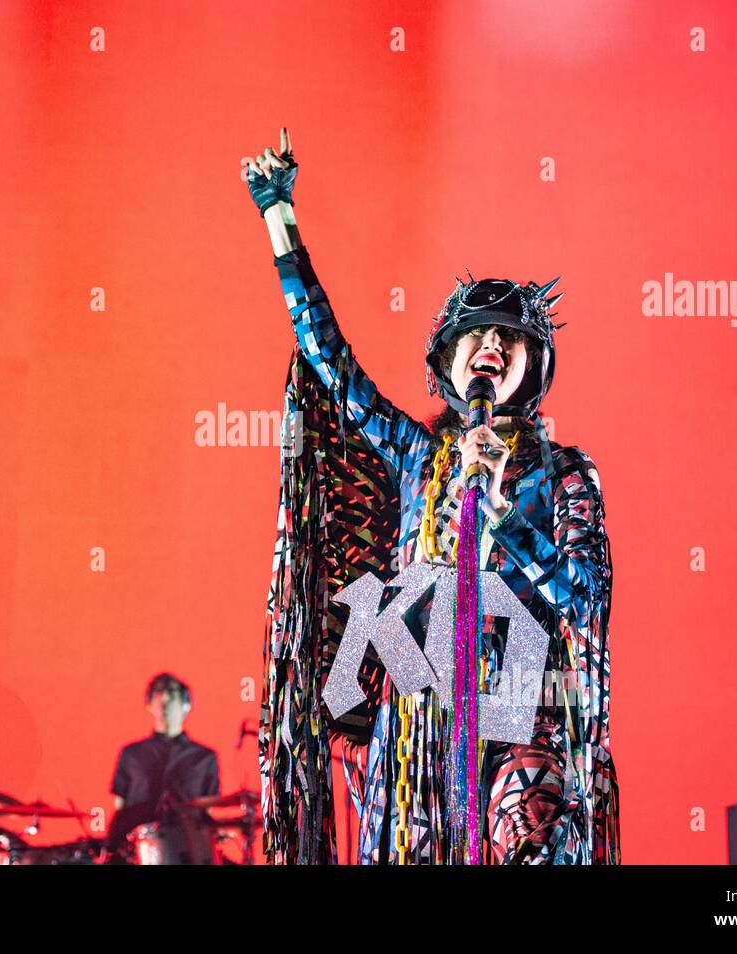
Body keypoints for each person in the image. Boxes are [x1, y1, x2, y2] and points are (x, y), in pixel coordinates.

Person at [251, 128, 619, 864]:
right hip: (418, 700)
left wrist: (505, 514)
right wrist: (277, 215)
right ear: (449, 364)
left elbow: (583, 595)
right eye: (477, 335)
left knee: (533, 840)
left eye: (511, 339)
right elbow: (329, 359)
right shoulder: (419, 453)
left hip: (520, 689)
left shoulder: (566, 472)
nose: (493, 345)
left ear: (533, 370)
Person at [106, 674, 220, 862]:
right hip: (137, 850)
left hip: (189, 851)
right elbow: (119, 808)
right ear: (149, 704)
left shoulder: (205, 757)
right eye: (158, 692)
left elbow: (207, 812)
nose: (164, 699)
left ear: (186, 705)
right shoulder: (131, 754)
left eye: (172, 693)